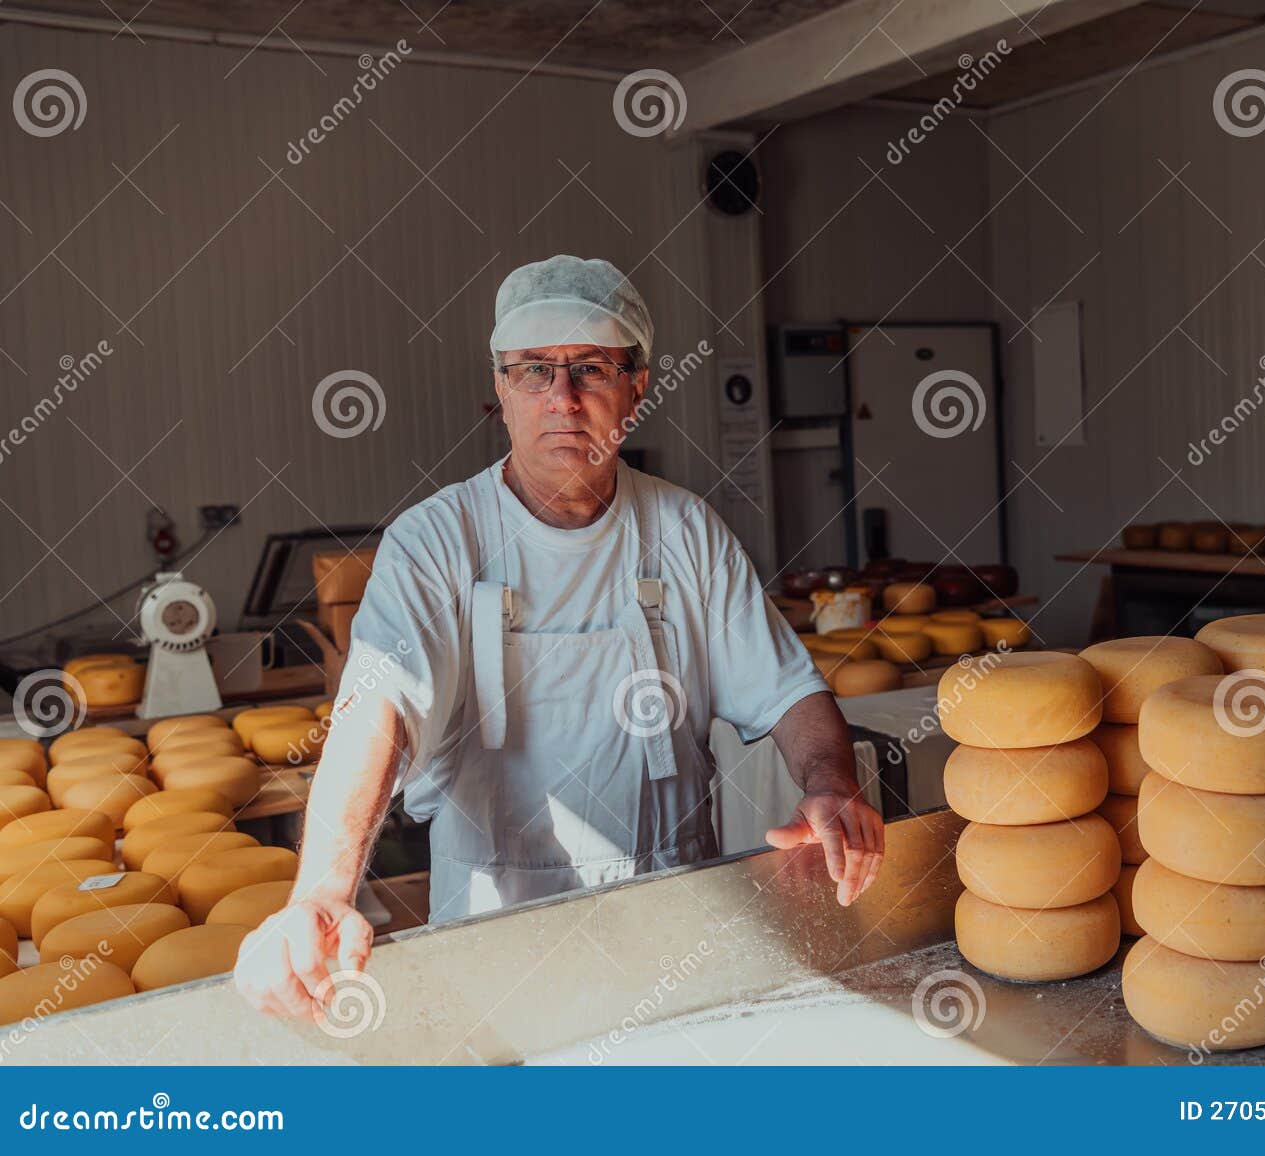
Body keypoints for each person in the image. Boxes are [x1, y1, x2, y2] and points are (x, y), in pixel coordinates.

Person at [235, 256, 884, 1019]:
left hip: (675, 931)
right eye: (534, 371)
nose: (562, 400)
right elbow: (377, 710)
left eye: (590, 369)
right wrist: (321, 891)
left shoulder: (685, 531)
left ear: (636, 389)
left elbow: (787, 692)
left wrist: (830, 785)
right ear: (501, 392)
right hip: (494, 945)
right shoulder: (439, 540)